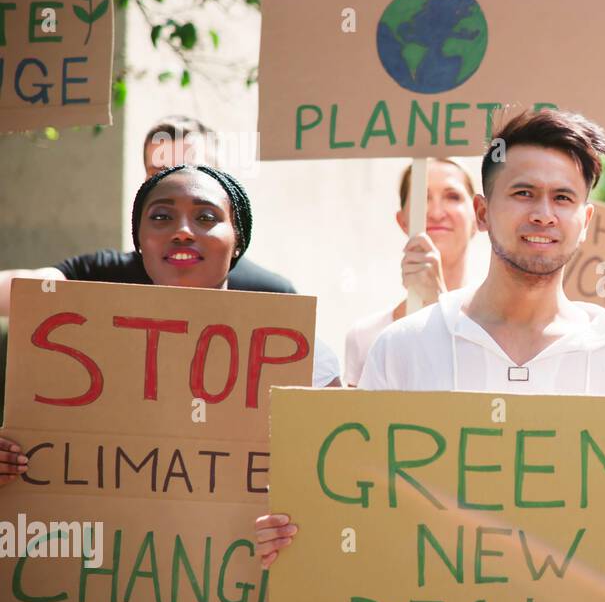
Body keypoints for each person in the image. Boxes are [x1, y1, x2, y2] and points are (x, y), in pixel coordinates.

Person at [254, 109, 605, 588]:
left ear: (586, 219)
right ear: (483, 211)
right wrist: (299, 537)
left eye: (563, 198)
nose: (543, 213)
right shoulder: (402, 348)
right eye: (523, 193)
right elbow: (356, 518)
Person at [1, 164, 338, 488]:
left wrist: (290, 526)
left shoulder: (298, 353)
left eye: (206, 217)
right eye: (161, 217)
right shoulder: (68, 342)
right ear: (139, 240)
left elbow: (334, 471)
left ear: (238, 240)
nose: (181, 232)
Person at [0, 116, 294, 317]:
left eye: (194, 170)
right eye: (161, 173)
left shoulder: (272, 295)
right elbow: (25, 289)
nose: (179, 183)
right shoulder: (102, 277)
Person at [343, 159, 478, 386]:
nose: (436, 212)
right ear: (402, 221)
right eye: (422, 198)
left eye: (452, 196)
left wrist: (438, 303)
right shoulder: (366, 336)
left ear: (478, 218)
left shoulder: (501, 331)